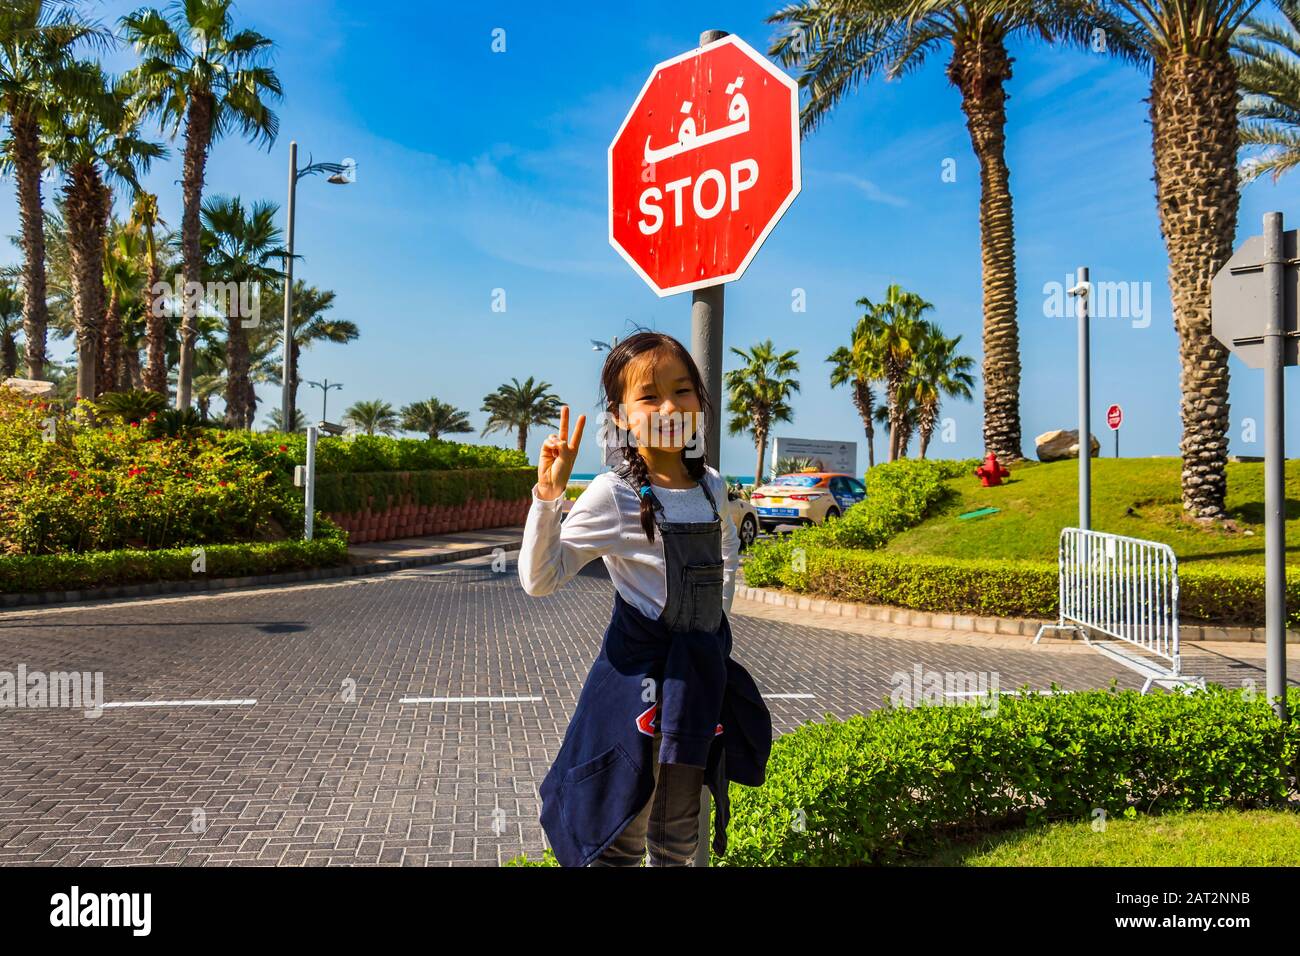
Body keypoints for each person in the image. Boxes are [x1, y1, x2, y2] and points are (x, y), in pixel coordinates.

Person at [518, 330, 772, 867]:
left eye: (682, 390)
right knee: (620, 833)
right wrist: (549, 496)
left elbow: (726, 550)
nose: (669, 407)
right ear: (620, 415)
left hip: (696, 686)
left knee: (680, 836)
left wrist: (711, 632)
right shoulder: (615, 493)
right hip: (637, 689)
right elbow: (541, 578)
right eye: (648, 395)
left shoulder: (711, 485)